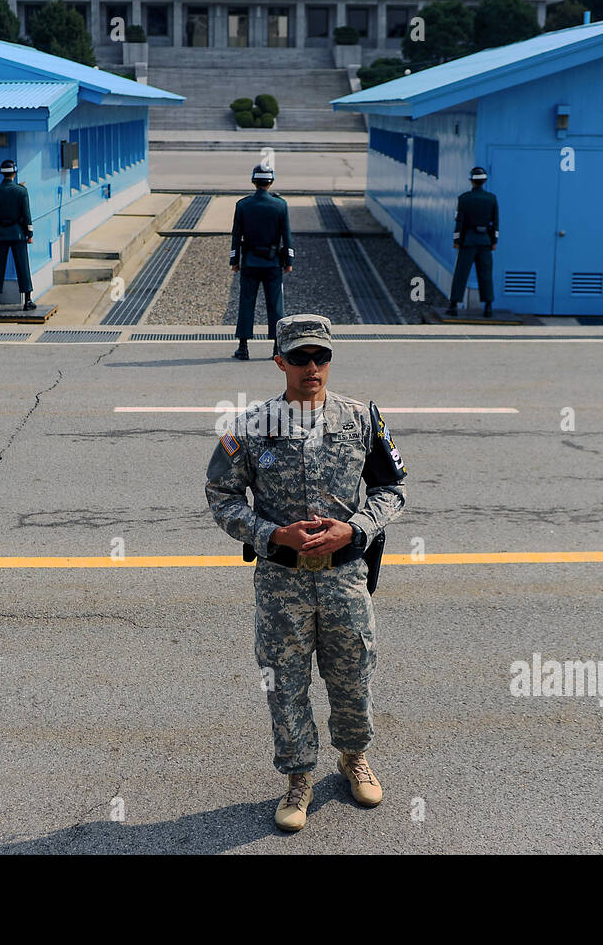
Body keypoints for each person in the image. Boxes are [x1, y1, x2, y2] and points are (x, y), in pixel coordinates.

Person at [205, 313, 408, 832]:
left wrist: (354, 530)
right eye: (300, 358)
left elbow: (393, 489)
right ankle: (298, 778)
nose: (312, 367)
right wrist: (271, 534)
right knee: (286, 684)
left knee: (353, 675)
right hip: (281, 583)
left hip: (344, 577)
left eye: (321, 356)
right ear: (280, 362)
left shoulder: (361, 418)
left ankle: (353, 757)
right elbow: (221, 495)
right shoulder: (250, 427)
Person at [229, 163, 293, 360]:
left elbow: (236, 236)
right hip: (273, 262)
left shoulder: (243, 205)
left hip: (249, 261)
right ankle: (276, 348)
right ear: (271, 181)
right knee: (275, 304)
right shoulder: (280, 205)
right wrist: (289, 260)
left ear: (253, 181)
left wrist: (235, 260)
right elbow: (287, 236)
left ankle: (243, 347)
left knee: (246, 302)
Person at [0, 159, 36, 312]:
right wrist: (30, 233)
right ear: (15, 172)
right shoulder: (21, 191)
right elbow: (27, 214)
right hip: (17, 233)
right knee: (23, 266)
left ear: (2, 173)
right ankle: (27, 301)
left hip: (0, 233)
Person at [448, 165, 498, 318]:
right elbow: (495, 223)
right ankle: (488, 307)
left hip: (468, 240)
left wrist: (457, 240)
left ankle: (454, 305)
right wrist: (494, 240)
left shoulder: (464, 199)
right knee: (485, 274)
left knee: (461, 274)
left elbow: (459, 222)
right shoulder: (492, 199)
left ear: (471, 181)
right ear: (484, 181)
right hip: (485, 241)